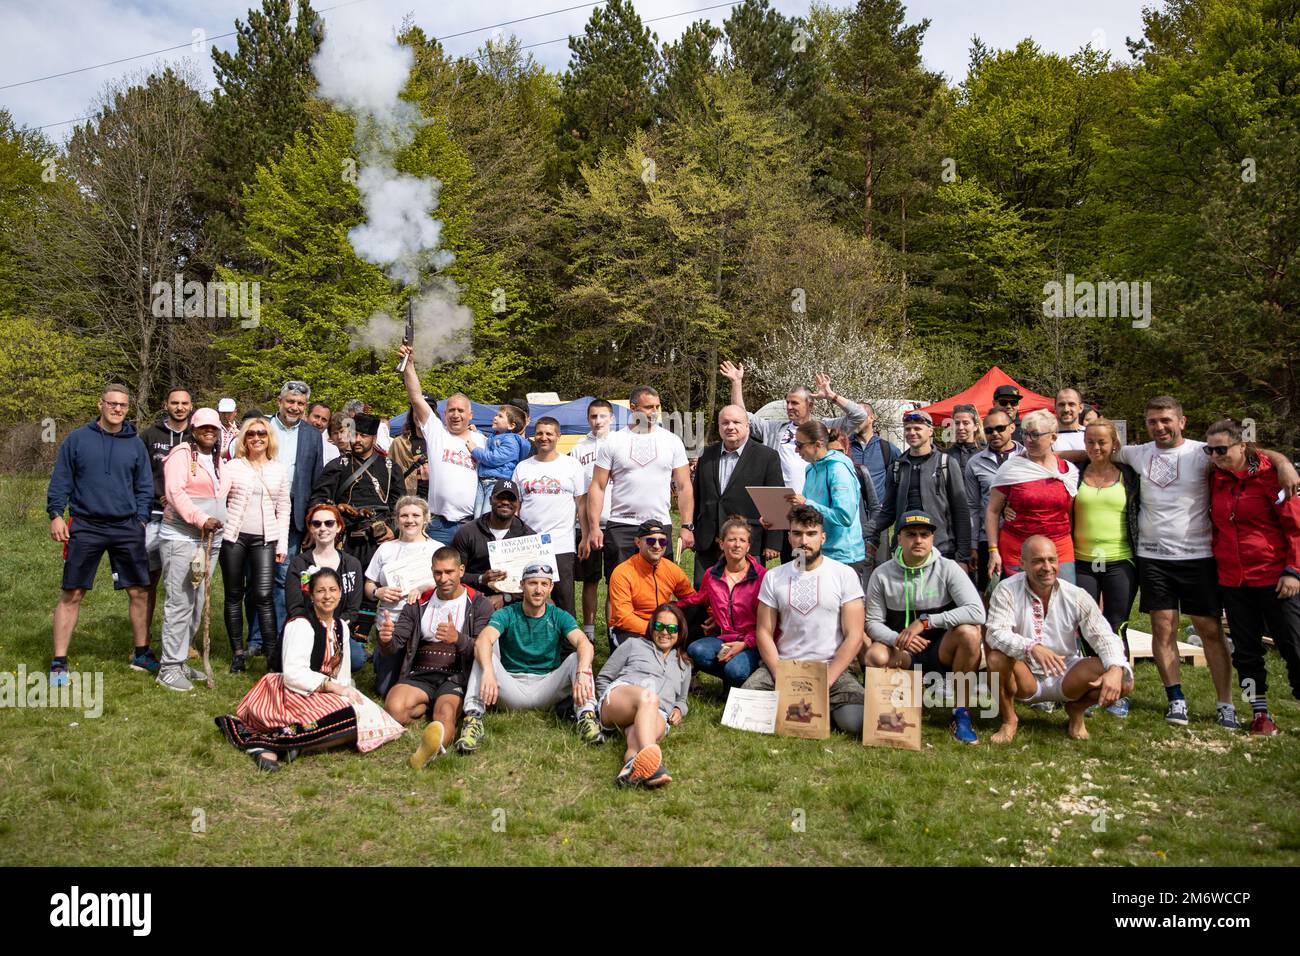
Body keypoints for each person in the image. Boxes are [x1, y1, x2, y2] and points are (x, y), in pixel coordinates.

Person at [1059, 395, 1299, 728]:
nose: (1159, 427)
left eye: (1166, 420)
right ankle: (1176, 699)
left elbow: (1247, 451)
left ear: (1181, 422)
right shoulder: (1137, 453)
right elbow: (1095, 450)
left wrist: (1283, 462)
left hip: (1198, 556)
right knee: (1163, 628)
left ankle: (1226, 704)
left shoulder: (1204, 453)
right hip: (1153, 558)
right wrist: (1041, 455)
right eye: (1153, 421)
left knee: (1209, 630)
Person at [214, 568, 403, 771]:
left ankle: (295, 747)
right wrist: (334, 689)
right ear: (311, 595)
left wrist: (347, 692)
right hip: (290, 691)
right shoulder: (301, 624)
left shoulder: (341, 626)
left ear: (340, 593)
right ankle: (270, 743)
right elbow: (293, 674)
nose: (327, 596)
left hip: (325, 690)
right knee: (348, 718)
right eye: (321, 591)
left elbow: (343, 673)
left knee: (371, 718)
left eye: (332, 589)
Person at [47, 384, 156, 683]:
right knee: (72, 592)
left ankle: (142, 653)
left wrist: (141, 520)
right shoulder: (77, 440)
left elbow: (145, 486)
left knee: (139, 591)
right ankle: (59, 661)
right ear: (100, 405)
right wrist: (57, 514)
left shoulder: (135, 443)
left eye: (123, 405)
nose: (117, 409)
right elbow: (61, 480)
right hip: (86, 525)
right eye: (112, 404)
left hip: (126, 527)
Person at [984, 536, 1134, 742]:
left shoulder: (1076, 594)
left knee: (1124, 679)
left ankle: (1077, 709)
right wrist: (1031, 647)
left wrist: (1116, 668)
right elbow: (995, 633)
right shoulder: (1006, 589)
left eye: (1051, 560)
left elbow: (1103, 635)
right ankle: (1009, 720)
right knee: (996, 659)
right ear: (1022, 563)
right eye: (1038, 561)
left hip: (1067, 673)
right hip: (1025, 673)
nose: (1047, 567)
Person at [1207, 419, 1300, 736]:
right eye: (1211, 450)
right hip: (1233, 581)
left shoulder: (1272, 477)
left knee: (1293, 647)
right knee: (1245, 652)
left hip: (1276, 578)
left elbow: (1296, 527)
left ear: (1242, 446)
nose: (1216, 455)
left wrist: (1294, 571)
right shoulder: (1215, 478)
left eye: (1222, 449)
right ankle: (1259, 711)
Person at [454, 561, 603, 753]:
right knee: (483, 653)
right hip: (511, 687)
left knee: (579, 657)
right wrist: (489, 672)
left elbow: (584, 643)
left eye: (543, 584)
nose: (538, 590)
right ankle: (473, 719)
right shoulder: (507, 613)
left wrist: (582, 672)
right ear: (522, 586)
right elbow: (484, 640)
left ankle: (587, 716)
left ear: (551, 588)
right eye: (532, 583)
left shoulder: (558, 615)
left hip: (546, 687)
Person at [742, 506, 866, 736]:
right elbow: (764, 632)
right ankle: (801, 706)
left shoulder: (844, 574)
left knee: (854, 723)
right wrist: (781, 675)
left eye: (811, 534)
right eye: (797, 534)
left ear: (823, 537)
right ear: (789, 537)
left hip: (831, 668)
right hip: (786, 665)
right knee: (744, 714)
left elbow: (855, 635)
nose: (804, 540)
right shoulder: (774, 577)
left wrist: (827, 680)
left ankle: (815, 707)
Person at [864, 510, 986, 742]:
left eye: (924, 534)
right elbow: (872, 623)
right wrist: (896, 638)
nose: (918, 540)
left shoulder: (948, 568)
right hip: (904, 650)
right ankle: (885, 715)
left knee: (970, 634)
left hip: (942, 650)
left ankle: (961, 714)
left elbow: (977, 611)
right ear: (899, 538)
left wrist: (926, 621)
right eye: (911, 534)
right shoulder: (882, 574)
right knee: (874, 654)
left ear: (932, 538)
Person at [719, 361, 867, 541]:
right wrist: (736, 383)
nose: (789, 407)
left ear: (810, 406)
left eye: (795, 403)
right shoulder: (774, 429)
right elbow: (741, 416)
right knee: (790, 563)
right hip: (784, 510)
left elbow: (860, 416)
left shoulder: (824, 429)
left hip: (815, 508)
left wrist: (832, 396)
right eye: (787, 402)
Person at [377, 547, 496, 767]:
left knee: (446, 713)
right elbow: (396, 645)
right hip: (421, 672)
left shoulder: (479, 603)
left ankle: (432, 748)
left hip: (455, 675)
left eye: (449, 572)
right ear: (431, 572)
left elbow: (484, 648)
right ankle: (424, 709)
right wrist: (385, 640)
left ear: (461, 570)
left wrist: (457, 639)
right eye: (438, 573)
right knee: (394, 708)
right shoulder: (418, 603)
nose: (444, 579)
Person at [583, 386, 693, 575]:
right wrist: (594, 528)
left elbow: (684, 486)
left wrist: (686, 526)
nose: (655, 412)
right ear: (633, 408)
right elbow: (598, 487)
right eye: (648, 407)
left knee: (659, 587)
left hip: (659, 524)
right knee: (616, 589)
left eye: (657, 407)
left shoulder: (672, 441)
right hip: (620, 524)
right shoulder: (614, 441)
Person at [1073, 417, 1140, 717]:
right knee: (1087, 625)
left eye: (1102, 441)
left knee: (1116, 624)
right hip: (1083, 559)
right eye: (1090, 441)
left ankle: (1120, 686)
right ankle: (1092, 684)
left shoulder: (1128, 474)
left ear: (1114, 443)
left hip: (1120, 558)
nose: (1096, 447)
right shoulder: (1074, 473)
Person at [155, 407, 226, 692]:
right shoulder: (181, 455)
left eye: (213, 428)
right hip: (182, 537)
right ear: (193, 430)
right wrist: (200, 518)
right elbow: (174, 492)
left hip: (210, 539)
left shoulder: (220, 458)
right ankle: (168, 668)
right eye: (203, 428)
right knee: (180, 601)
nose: (209, 432)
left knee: (197, 602)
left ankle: (182, 659)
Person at [219, 416, 290, 673]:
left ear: (269, 438)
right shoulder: (232, 467)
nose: (256, 438)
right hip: (234, 537)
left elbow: (284, 507)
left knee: (263, 594)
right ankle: (237, 652)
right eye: (251, 434)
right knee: (234, 594)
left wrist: (281, 544)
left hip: (264, 538)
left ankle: (271, 654)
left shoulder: (278, 469)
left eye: (262, 433)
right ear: (244, 438)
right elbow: (219, 499)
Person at [398, 344, 485, 544]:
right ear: (444, 414)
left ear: (470, 415)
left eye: (461, 411)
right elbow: (416, 398)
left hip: (472, 524)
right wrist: (409, 365)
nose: (456, 415)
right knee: (437, 574)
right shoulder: (437, 433)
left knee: (469, 575)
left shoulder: (483, 441)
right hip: (439, 524)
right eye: (451, 410)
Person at [596, 603, 690, 788]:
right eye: (659, 626)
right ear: (651, 627)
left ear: (680, 632)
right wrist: (601, 706)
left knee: (636, 738)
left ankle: (631, 768)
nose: (664, 632)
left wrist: (679, 709)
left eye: (671, 628)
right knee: (649, 698)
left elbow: (682, 699)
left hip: (658, 713)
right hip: (622, 699)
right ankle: (655, 764)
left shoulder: (684, 664)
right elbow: (603, 678)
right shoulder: (633, 644)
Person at [690, 405, 782, 586]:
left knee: (745, 597)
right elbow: (697, 496)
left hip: (747, 541)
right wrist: (692, 530)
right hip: (708, 540)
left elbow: (775, 501)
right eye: (725, 423)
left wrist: (773, 542)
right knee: (704, 595)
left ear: (747, 425)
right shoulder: (707, 454)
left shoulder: (767, 456)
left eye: (736, 422)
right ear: (718, 427)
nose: (730, 427)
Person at [865, 409, 971, 565]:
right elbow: (887, 513)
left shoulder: (946, 464)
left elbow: (961, 512)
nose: (911, 433)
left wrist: (963, 557)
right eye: (908, 429)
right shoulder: (896, 467)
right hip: (905, 551)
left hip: (941, 550)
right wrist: (860, 531)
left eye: (917, 428)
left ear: (930, 431)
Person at [985, 408, 1078, 583]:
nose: (1028, 440)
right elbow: (992, 510)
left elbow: (1071, 512)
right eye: (1025, 434)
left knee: (1063, 602)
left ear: (1053, 437)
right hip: (1018, 548)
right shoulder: (1011, 468)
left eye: (1035, 434)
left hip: (1060, 547)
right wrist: (993, 550)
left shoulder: (1067, 471)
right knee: (1024, 605)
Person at [775, 420, 869, 586]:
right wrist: (775, 518)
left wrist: (808, 503)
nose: (796, 449)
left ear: (818, 445)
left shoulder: (838, 469)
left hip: (842, 556)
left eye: (799, 444)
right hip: (812, 552)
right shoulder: (810, 469)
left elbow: (845, 517)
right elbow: (805, 512)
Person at [365, 496, 441, 698]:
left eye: (416, 515)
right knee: (384, 691)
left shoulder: (437, 549)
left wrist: (426, 587)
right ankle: (384, 661)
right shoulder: (386, 548)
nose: (410, 520)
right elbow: (369, 583)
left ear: (426, 519)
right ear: (397, 519)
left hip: (422, 627)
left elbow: (448, 583)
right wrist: (377, 592)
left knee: (412, 688)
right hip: (389, 624)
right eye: (404, 515)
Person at [512, 417, 588, 616]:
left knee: (564, 601)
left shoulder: (571, 465)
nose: (543, 437)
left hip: (561, 544)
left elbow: (581, 504)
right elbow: (516, 506)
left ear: (558, 437)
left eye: (549, 434)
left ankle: (568, 645)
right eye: (539, 433)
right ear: (533, 436)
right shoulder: (523, 467)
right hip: (529, 543)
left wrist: (586, 536)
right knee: (528, 599)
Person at [678, 517, 766, 688]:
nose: (737, 545)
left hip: (753, 643)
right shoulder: (711, 575)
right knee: (697, 650)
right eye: (732, 539)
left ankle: (739, 677)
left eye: (742, 540)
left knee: (736, 671)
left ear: (749, 546)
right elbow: (698, 599)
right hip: (725, 638)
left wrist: (745, 644)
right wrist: (665, 609)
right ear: (721, 543)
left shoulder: (762, 577)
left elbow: (770, 624)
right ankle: (730, 679)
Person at [267, 380, 325, 638]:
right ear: (280, 402)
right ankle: (257, 636)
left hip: (293, 513)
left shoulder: (313, 435)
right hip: (260, 508)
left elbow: (316, 480)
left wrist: (311, 520)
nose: (294, 407)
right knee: (256, 580)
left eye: (300, 404)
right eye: (290, 401)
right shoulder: (264, 427)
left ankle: (279, 635)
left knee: (282, 576)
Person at [310, 412, 399, 575]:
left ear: (374, 437)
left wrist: (393, 529)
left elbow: (400, 504)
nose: (357, 440)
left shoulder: (390, 467)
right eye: (354, 434)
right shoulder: (337, 465)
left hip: (381, 538)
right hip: (346, 538)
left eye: (363, 435)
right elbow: (319, 499)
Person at [285, 503, 367, 673]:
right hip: (307, 628)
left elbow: (352, 610)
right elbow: (295, 607)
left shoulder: (352, 564)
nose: (323, 528)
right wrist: (318, 630)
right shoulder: (299, 564)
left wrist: (332, 630)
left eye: (329, 523)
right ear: (310, 528)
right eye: (317, 524)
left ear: (339, 527)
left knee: (357, 659)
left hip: (338, 629)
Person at [139, 386, 192, 642]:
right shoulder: (150, 435)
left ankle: (182, 641)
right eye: (174, 402)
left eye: (184, 403)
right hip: (155, 516)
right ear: (166, 404)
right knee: (148, 582)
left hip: (186, 521)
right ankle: (143, 639)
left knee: (184, 584)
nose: (179, 407)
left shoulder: (199, 435)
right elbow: (138, 474)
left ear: (191, 406)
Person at [607, 520, 695, 651]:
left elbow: (692, 599)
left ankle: (689, 659)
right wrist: (656, 629)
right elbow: (623, 617)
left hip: (662, 626)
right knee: (639, 660)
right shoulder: (623, 572)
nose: (657, 546)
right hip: (630, 630)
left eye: (662, 541)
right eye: (651, 541)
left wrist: (711, 616)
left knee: (698, 610)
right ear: (638, 542)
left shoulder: (671, 569)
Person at [452, 479, 538, 608]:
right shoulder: (467, 532)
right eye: (500, 498)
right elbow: (454, 574)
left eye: (511, 499)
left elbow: (540, 581)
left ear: (518, 504)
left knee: (548, 603)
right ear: (490, 499)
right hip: (475, 598)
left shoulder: (529, 536)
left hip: (516, 602)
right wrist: (481, 579)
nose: (505, 502)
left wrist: (506, 598)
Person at [964, 409, 1023, 594]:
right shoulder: (975, 463)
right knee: (990, 593)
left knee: (1022, 593)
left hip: (1021, 535)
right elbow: (972, 507)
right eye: (989, 430)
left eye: (1000, 428)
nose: (995, 433)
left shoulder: (1027, 457)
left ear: (1012, 427)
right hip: (988, 538)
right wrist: (973, 545)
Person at [571, 399, 614, 641]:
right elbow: (579, 491)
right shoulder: (580, 447)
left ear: (611, 418)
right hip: (588, 523)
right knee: (590, 578)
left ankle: (612, 628)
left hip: (616, 521)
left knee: (615, 580)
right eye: (593, 416)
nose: (598, 421)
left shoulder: (619, 442)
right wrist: (585, 527)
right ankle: (588, 630)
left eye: (602, 416)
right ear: (588, 419)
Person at [827, 427, 882, 567]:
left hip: (857, 544)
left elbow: (875, 507)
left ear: (846, 449)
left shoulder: (859, 472)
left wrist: (872, 540)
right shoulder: (817, 473)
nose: (835, 456)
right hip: (829, 545)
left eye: (838, 451)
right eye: (829, 452)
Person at [471, 404, 531, 517]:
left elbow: (494, 458)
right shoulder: (495, 436)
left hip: (495, 482)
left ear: (511, 425)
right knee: (477, 516)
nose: (495, 418)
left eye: (500, 416)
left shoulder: (512, 441)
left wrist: (474, 450)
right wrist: (477, 433)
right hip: (483, 480)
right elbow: (488, 442)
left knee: (487, 517)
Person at [846, 400, 900, 503]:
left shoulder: (887, 449)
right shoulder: (845, 447)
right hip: (853, 511)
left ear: (871, 418)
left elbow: (900, 481)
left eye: (858, 416)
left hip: (879, 514)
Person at [388, 401, 432, 499]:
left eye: (425, 411)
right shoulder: (399, 443)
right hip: (409, 498)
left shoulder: (442, 440)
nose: (421, 415)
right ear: (411, 414)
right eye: (416, 411)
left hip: (437, 501)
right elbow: (389, 474)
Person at [944, 403, 983, 474]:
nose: (960, 427)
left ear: (975, 427)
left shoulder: (985, 453)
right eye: (957, 423)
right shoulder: (945, 455)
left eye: (966, 423)